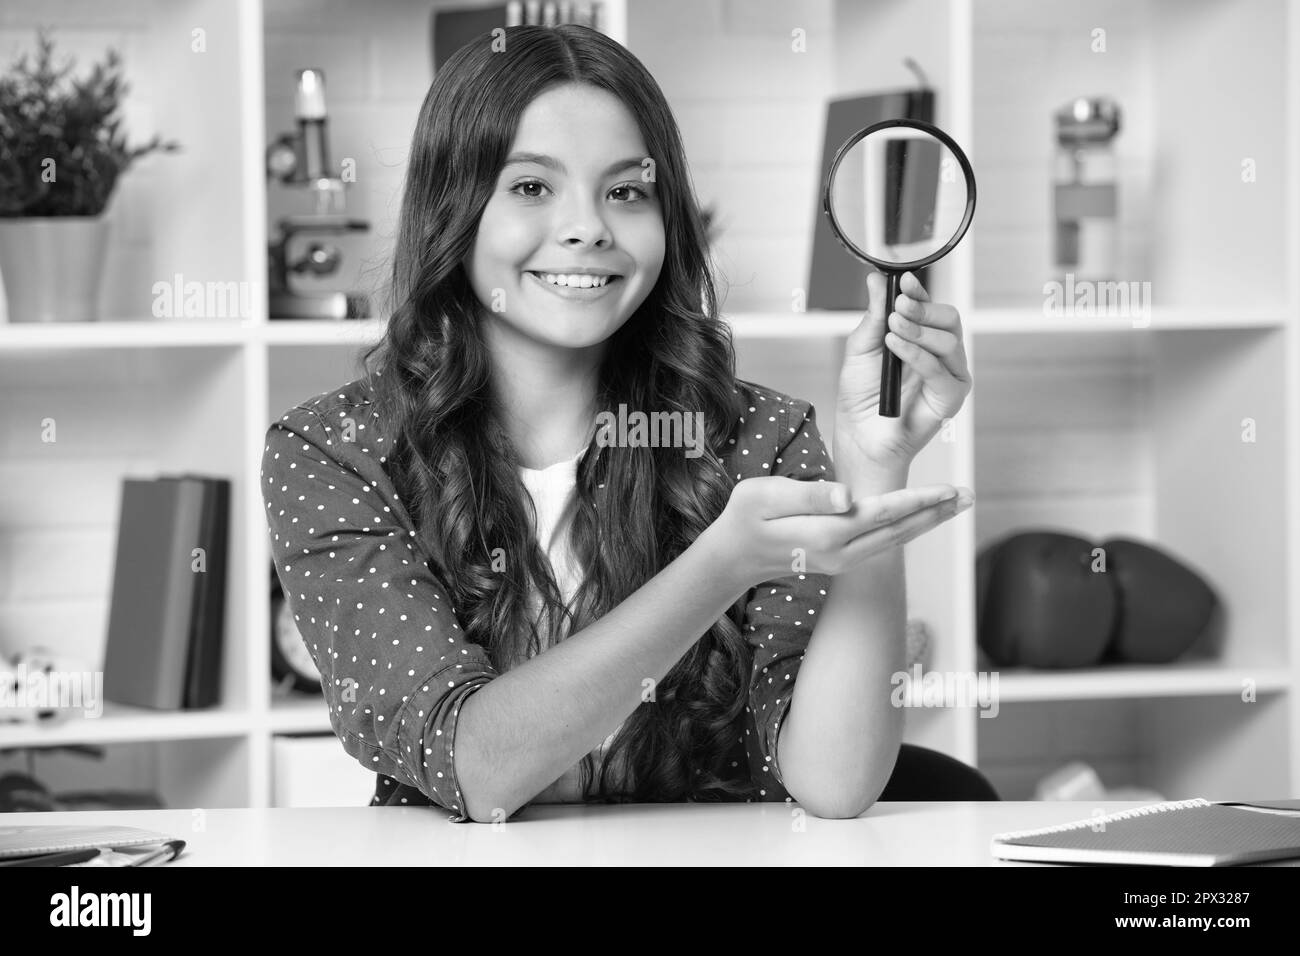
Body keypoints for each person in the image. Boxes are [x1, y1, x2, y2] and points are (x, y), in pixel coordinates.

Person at [260, 24, 973, 824]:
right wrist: (719, 566)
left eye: (626, 191)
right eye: (531, 187)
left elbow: (834, 782)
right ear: (451, 211)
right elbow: (478, 770)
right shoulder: (334, 454)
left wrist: (875, 472)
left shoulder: (760, 438)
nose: (589, 227)